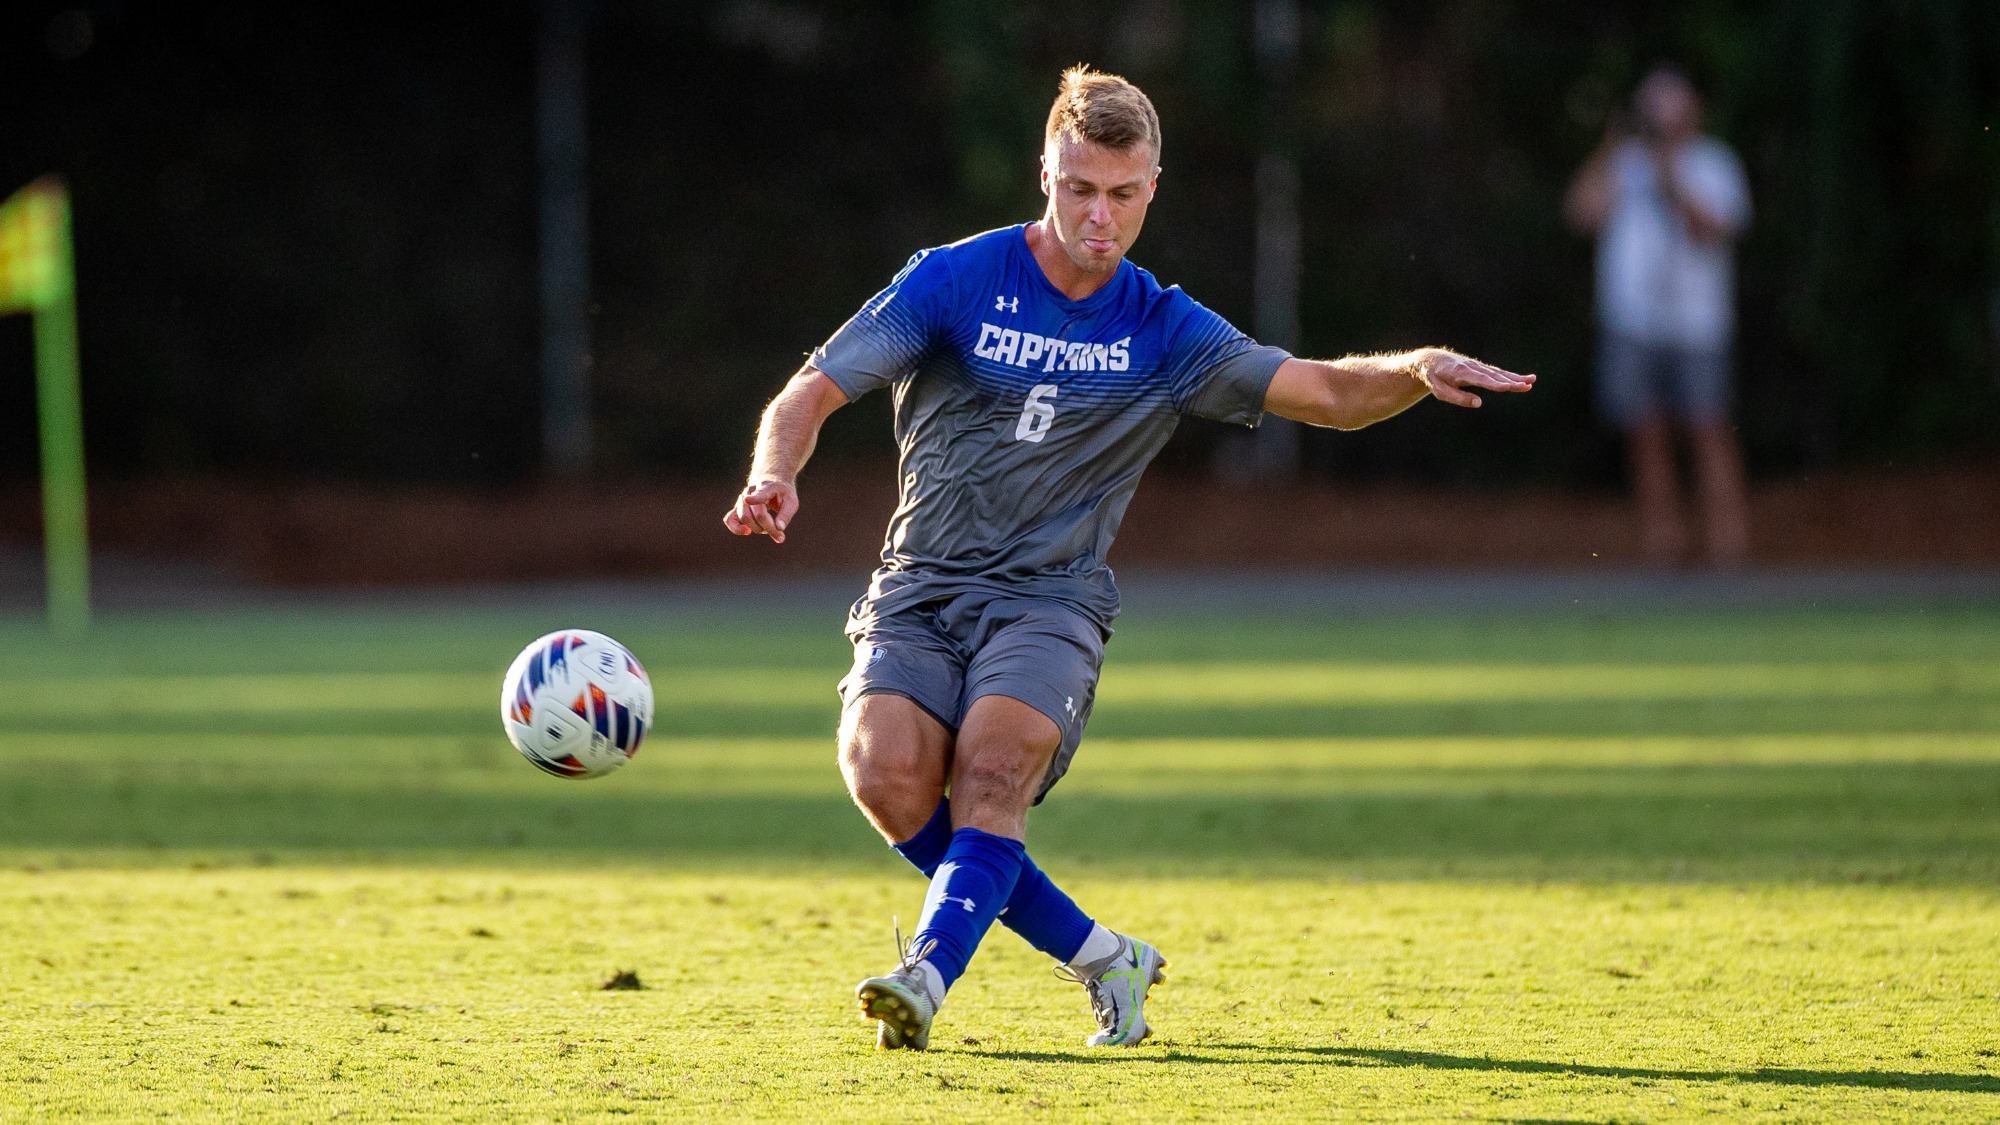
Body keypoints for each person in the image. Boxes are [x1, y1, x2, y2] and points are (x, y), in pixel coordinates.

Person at [723, 65, 1533, 1051]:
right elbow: (808, 394)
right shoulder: (951, 278)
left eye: (1120, 193)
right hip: (920, 586)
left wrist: (1409, 368)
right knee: (883, 776)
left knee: (990, 772)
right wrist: (774, 475)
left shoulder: (1164, 329)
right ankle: (1107, 957)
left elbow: (1323, 394)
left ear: (1152, 186)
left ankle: (925, 977)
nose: (1097, 216)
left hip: (1048, 601)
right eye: (1077, 189)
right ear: (1044, 175)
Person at [1565, 65, 1753, 567]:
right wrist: (1611, 148)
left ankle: (1728, 545)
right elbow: (1581, 213)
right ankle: (1662, 546)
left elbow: (1715, 227)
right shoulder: (1623, 164)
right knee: (1644, 432)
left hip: (1699, 324)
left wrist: (1670, 171)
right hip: (1632, 320)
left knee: (1708, 428)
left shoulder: (1715, 163)